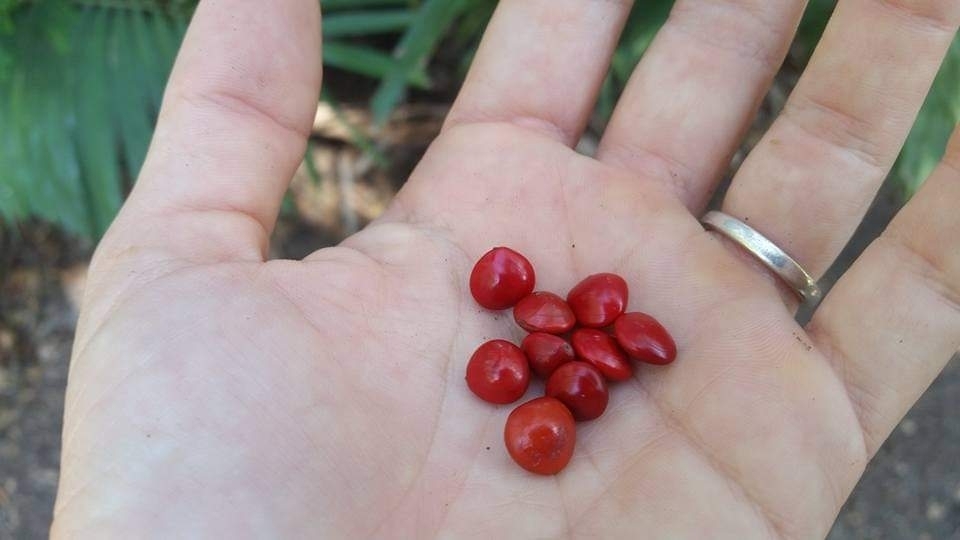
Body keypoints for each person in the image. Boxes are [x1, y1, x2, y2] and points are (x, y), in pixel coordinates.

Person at [51, 0, 959, 537]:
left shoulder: (565, 354)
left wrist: (578, 354)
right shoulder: (547, 356)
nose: (587, 351)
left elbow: (588, 358)